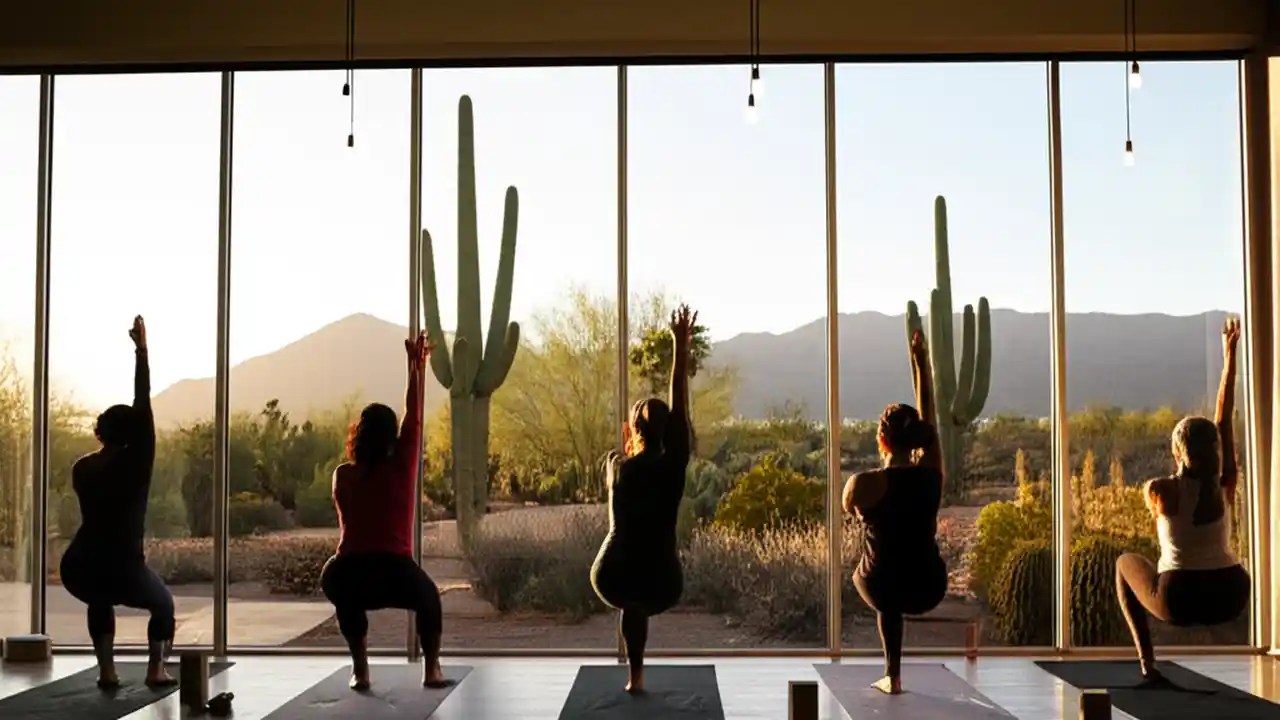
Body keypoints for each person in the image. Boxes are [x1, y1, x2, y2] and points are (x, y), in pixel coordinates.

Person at [1116, 317, 1250, 682]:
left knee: (1124, 564)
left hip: (1180, 597)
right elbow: (1224, 421)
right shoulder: (1225, 483)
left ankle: (1148, 667)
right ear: (1213, 453)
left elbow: (1219, 428)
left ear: (1177, 453)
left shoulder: (1161, 489)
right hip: (1231, 592)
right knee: (1220, 579)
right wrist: (1230, 357)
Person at [319, 331, 451, 690]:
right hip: (394, 571)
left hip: (349, 572)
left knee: (342, 594)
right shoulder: (401, 467)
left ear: (357, 436)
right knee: (429, 602)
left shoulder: (341, 475)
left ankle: (360, 671)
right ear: (392, 438)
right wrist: (416, 367)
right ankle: (432, 670)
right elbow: (415, 416)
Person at [60, 316, 176, 690]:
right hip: (123, 565)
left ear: (100, 431)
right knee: (164, 605)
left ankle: (107, 672)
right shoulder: (136, 462)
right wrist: (142, 351)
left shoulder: (82, 468)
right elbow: (143, 404)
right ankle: (156, 670)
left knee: (99, 597)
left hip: (79, 563)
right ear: (135, 434)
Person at [591, 304, 696, 694]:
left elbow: (625, 460)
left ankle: (635, 677)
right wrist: (679, 348)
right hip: (663, 577)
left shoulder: (616, 466)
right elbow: (680, 409)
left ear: (632, 432)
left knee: (631, 602)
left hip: (612, 572)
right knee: (641, 596)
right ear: (670, 433)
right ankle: (636, 676)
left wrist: (630, 444)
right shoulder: (674, 466)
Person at [842, 329, 947, 695]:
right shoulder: (933, 475)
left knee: (871, 575)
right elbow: (930, 431)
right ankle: (893, 674)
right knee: (893, 573)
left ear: (881, 440)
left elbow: (848, 505)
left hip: (883, 586)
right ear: (917, 438)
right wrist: (922, 366)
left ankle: (893, 674)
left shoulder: (865, 483)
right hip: (929, 586)